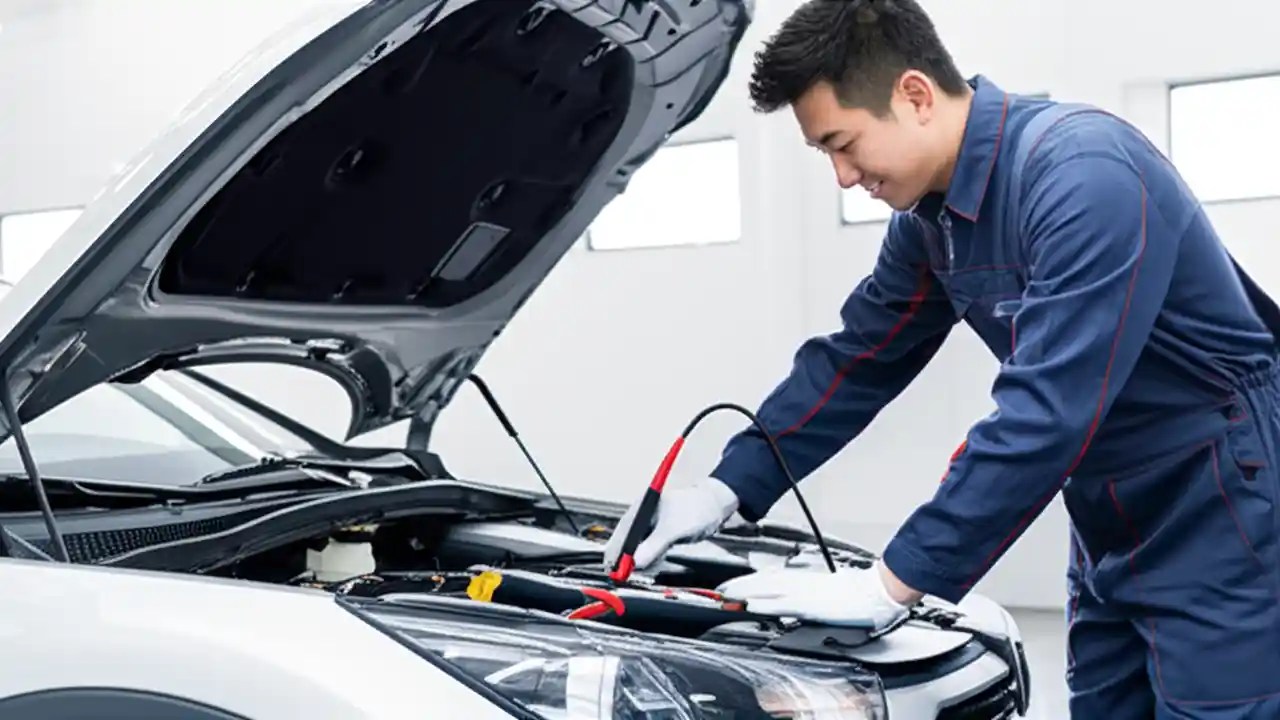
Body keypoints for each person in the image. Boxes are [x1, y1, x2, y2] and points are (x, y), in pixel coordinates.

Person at [602, 0, 1280, 717]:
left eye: (843, 143)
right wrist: (724, 489)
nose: (842, 176)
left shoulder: (1083, 176)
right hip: (1109, 510)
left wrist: (892, 582)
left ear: (915, 95)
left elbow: (1046, 412)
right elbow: (859, 358)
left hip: (1220, 496)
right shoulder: (932, 220)